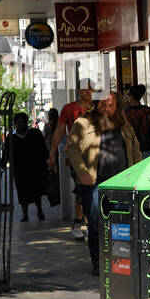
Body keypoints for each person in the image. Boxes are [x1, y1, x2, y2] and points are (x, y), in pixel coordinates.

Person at [66, 90, 141, 275]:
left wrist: (139, 175)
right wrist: (83, 172)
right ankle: (99, 263)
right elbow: (73, 150)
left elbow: (136, 150)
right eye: (104, 105)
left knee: (122, 225)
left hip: (123, 185)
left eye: (112, 105)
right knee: (96, 225)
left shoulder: (124, 126)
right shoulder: (83, 123)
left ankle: (121, 260)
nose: (108, 108)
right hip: (95, 184)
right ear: (97, 105)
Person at [49, 85, 92, 240]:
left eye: (91, 88)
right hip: (77, 155)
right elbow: (59, 132)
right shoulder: (69, 109)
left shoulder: (98, 107)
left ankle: (87, 223)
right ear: (78, 91)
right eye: (85, 89)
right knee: (81, 189)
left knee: (92, 190)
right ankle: (78, 223)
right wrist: (52, 155)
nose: (88, 91)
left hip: (96, 155)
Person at [2, 112, 49, 221]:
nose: (22, 124)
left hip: (35, 168)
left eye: (23, 122)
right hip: (19, 170)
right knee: (22, 192)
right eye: (19, 122)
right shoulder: (11, 138)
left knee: (36, 191)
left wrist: (46, 160)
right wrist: (2, 164)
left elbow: (43, 148)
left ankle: (40, 211)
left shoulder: (35, 133)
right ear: (15, 124)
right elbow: (6, 152)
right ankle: (25, 215)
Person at [124, 84, 150, 158]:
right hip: (149, 149)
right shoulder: (149, 111)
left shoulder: (125, 113)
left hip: (132, 150)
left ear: (131, 97)